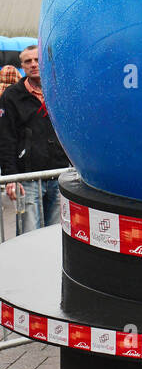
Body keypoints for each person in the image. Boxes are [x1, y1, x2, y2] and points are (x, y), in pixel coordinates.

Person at [0, 46, 69, 233]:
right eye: (28, 61)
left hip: (59, 174)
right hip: (28, 178)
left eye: (37, 60)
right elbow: (6, 139)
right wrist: (11, 178)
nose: (34, 65)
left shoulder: (59, 91)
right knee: (30, 233)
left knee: (56, 233)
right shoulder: (12, 96)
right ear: (22, 66)